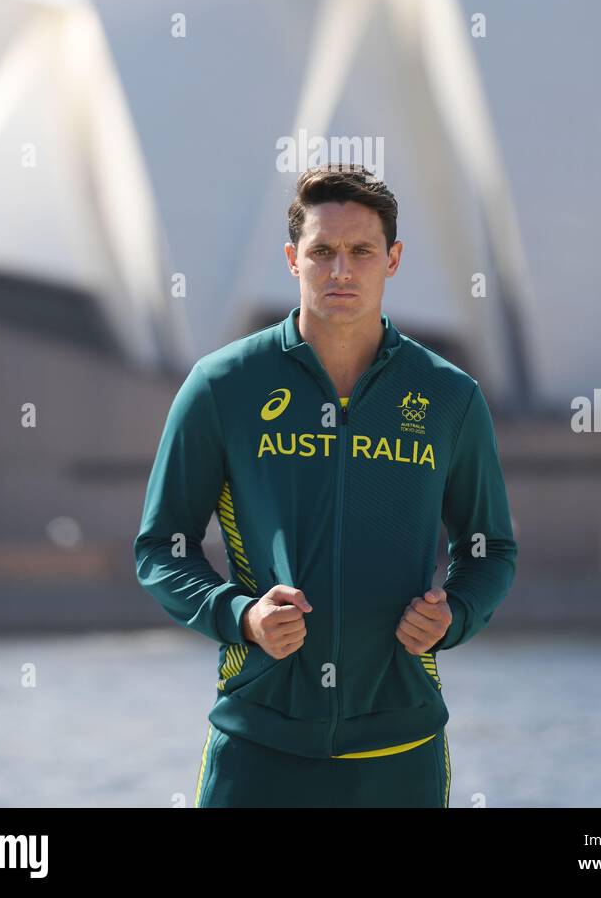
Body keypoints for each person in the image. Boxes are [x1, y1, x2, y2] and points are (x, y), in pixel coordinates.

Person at [134, 164, 518, 807]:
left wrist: (455, 612)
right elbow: (161, 548)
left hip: (399, 750)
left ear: (393, 259)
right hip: (259, 746)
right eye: (323, 252)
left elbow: (491, 549)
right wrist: (242, 616)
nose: (341, 270)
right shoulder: (222, 385)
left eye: (361, 251)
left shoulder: (450, 396)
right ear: (293, 259)